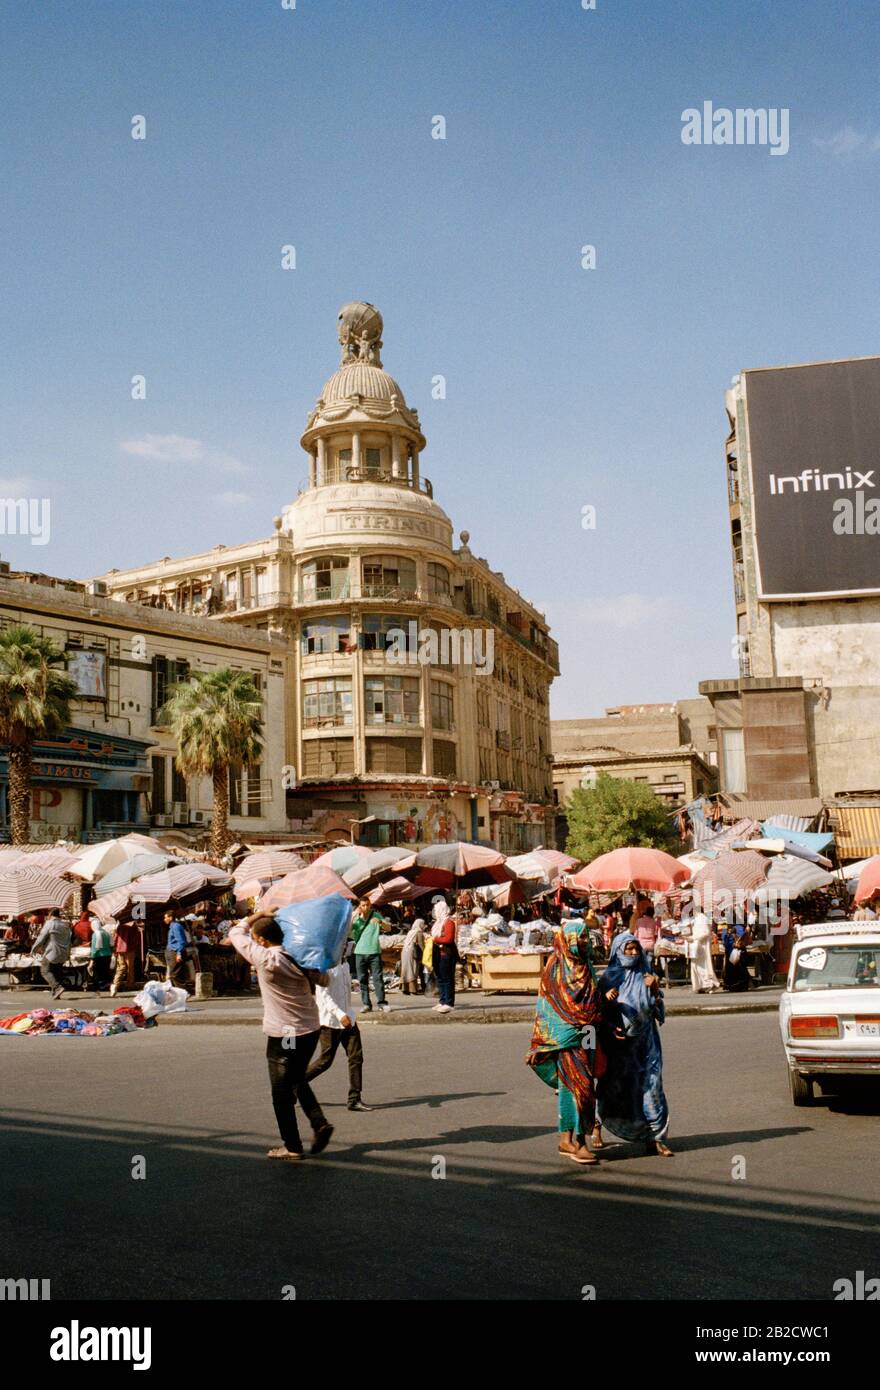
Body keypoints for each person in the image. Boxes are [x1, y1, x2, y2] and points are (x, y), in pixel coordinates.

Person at [226, 914, 332, 1161]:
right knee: (296, 1078)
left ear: (261, 940)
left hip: (285, 1032)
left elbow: (234, 934)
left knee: (281, 1092)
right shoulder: (299, 956)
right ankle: (318, 1122)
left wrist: (257, 915)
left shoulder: (266, 958)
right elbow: (325, 980)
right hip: (310, 1028)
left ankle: (292, 1146)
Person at [526, 918, 603, 1166]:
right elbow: (547, 1005)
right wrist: (555, 1037)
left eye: (585, 937)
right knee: (579, 1088)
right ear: (568, 940)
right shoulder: (555, 966)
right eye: (580, 937)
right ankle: (579, 1143)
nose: (584, 941)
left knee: (582, 1084)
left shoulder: (586, 965)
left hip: (589, 1033)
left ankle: (565, 1138)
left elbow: (594, 998)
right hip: (566, 1035)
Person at [596, 933, 672, 1157]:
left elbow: (659, 1013)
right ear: (617, 950)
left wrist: (654, 990)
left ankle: (656, 1138)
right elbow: (596, 1014)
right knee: (614, 1090)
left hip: (647, 1044)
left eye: (635, 949)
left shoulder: (647, 975)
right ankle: (596, 1127)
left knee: (652, 1089)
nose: (632, 953)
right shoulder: (609, 978)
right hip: (619, 1047)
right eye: (627, 949)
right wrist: (608, 1011)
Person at [301, 955, 370, 1114]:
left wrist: (348, 1014)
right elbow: (324, 995)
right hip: (330, 1021)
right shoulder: (325, 965)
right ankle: (296, 1084)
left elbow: (346, 991)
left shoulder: (345, 965)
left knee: (356, 1057)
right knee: (325, 1060)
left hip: (348, 1018)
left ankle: (354, 1099)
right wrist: (340, 1014)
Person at [351, 898, 390, 1013]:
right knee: (362, 980)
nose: (366, 908)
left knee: (378, 978)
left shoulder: (376, 915)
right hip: (359, 952)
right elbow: (347, 929)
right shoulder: (356, 918)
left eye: (367, 905)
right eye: (363, 905)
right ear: (359, 906)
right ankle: (366, 1004)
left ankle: (382, 1003)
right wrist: (354, 915)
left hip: (374, 952)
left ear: (370, 905)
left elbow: (388, 928)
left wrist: (381, 922)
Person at [32, 912, 72, 1000]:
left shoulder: (50, 923)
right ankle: (56, 993)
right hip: (63, 953)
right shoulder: (65, 925)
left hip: (52, 952)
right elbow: (69, 941)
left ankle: (57, 987)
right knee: (55, 973)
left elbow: (41, 938)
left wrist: (33, 949)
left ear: (51, 915)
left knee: (45, 971)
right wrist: (68, 954)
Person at [430, 896, 458, 1013]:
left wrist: (435, 939)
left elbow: (448, 939)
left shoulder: (449, 923)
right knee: (440, 978)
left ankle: (449, 1002)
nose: (435, 913)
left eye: (437, 910)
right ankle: (442, 1000)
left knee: (447, 978)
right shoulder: (438, 923)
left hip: (447, 954)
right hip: (438, 954)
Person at [686, 910, 722, 993]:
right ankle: (701, 985)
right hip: (697, 946)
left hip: (702, 947)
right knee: (695, 966)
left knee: (703, 966)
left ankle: (710, 984)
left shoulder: (702, 918)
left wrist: (693, 938)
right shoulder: (696, 919)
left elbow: (706, 932)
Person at [110, 917, 143, 996]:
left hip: (120, 949)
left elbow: (115, 937)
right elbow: (136, 938)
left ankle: (115, 983)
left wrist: (115, 948)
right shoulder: (133, 926)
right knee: (130, 967)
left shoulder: (120, 925)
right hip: (130, 949)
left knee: (121, 967)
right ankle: (130, 984)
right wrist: (135, 947)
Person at [399, 917, 426, 995]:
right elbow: (421, 945)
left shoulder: (410, 932)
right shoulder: (419, 933)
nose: (424, 925)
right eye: (423, 924)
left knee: (405, 970)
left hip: (404, 952)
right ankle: (412, 990)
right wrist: (426, 953)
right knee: (413, 970)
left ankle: (405, 989)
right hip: (412, 953)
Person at [722, 922, 751, 992]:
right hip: (737, 950)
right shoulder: (740, 927)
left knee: (732, 967)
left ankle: (733, 985)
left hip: (732, 950)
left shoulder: (726, 929)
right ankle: (740, 985)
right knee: (740, 967)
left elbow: (725, 940)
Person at [164, 910, 190, 987]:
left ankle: (181, 991)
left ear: (171, 917)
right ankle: (177, 992)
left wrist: (179, 954)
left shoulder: (176, 926)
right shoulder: (172, 926)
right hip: (171, 951)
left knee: (174, 974)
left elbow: (181, 941)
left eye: (166, 918)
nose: (164, 919)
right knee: (173, 974)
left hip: (175, 952)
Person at [89, 918, 113, 993]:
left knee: (97, 973)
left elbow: (95, 948)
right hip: (108, 955)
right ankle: (107, 985)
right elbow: (111, 944)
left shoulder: (96, 933)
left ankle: (97, 988)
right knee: (105, 971)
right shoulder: (106, 932)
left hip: (99, 956)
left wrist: (92, 959)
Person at [633, 903, 658, 970]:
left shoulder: (638, 921)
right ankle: (649, 976)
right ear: (653, 914)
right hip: (651, 944)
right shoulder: (654, 922)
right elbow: (656, 934)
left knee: (641, 962)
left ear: (646, 913)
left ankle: (643, 976)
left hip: (641, 944)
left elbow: (635, 934)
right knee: (649, 961)